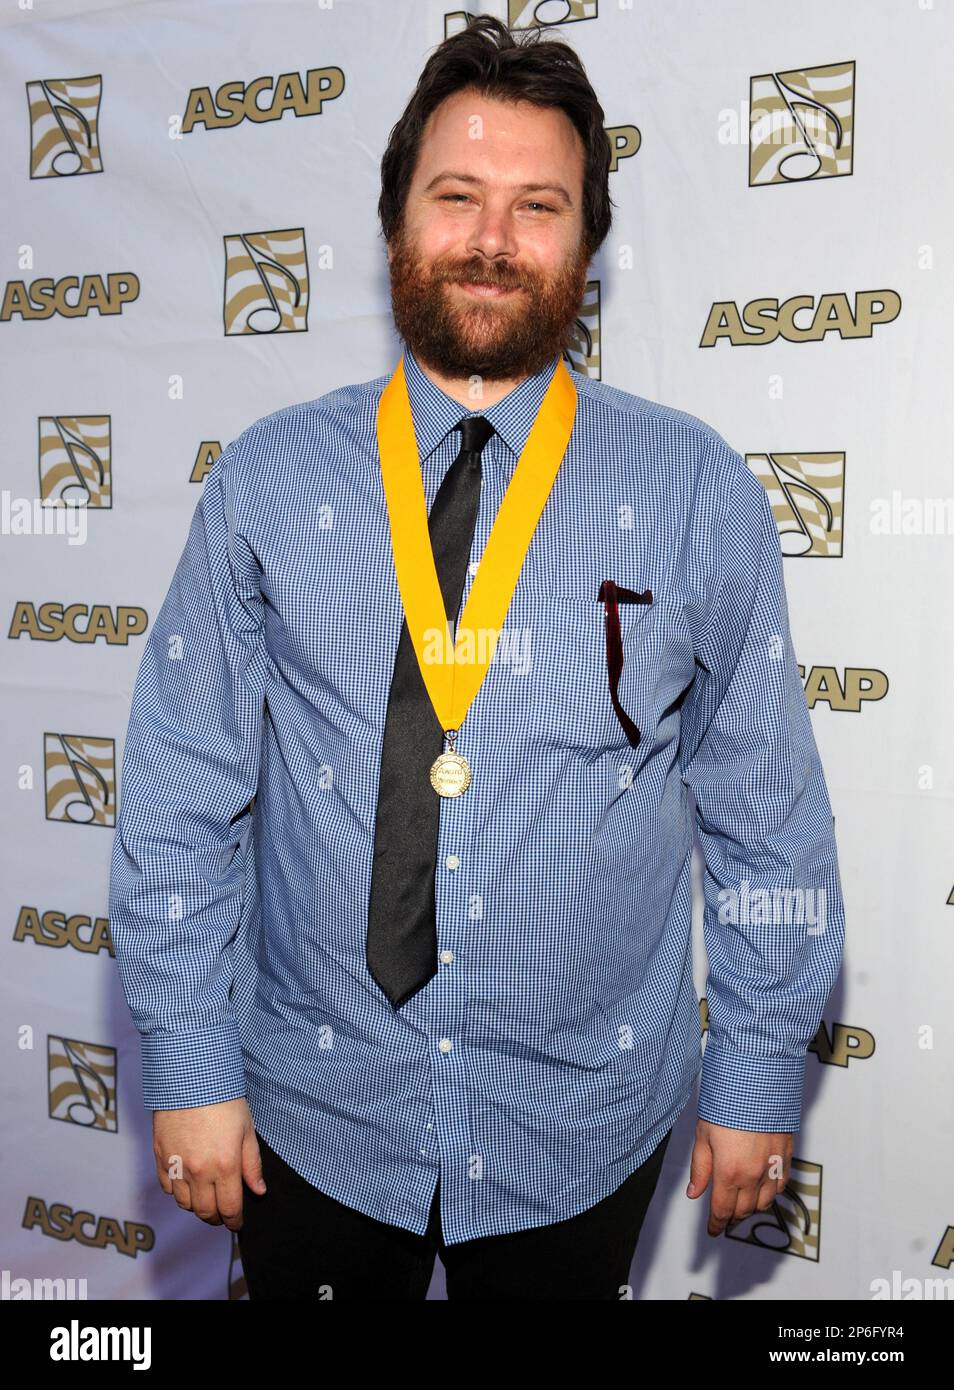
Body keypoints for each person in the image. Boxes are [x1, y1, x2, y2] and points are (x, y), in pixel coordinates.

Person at [108, 16, 845, 1301]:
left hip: (582, 1129)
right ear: (397, 218)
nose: (494, 239)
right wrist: (188, 1060)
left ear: (586, 243)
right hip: (311, 1121)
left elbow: (765, 817)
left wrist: (758, 1067)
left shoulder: (694, 490)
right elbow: (181, 793)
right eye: (457, 196)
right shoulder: (269, 483)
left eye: (538, 205)